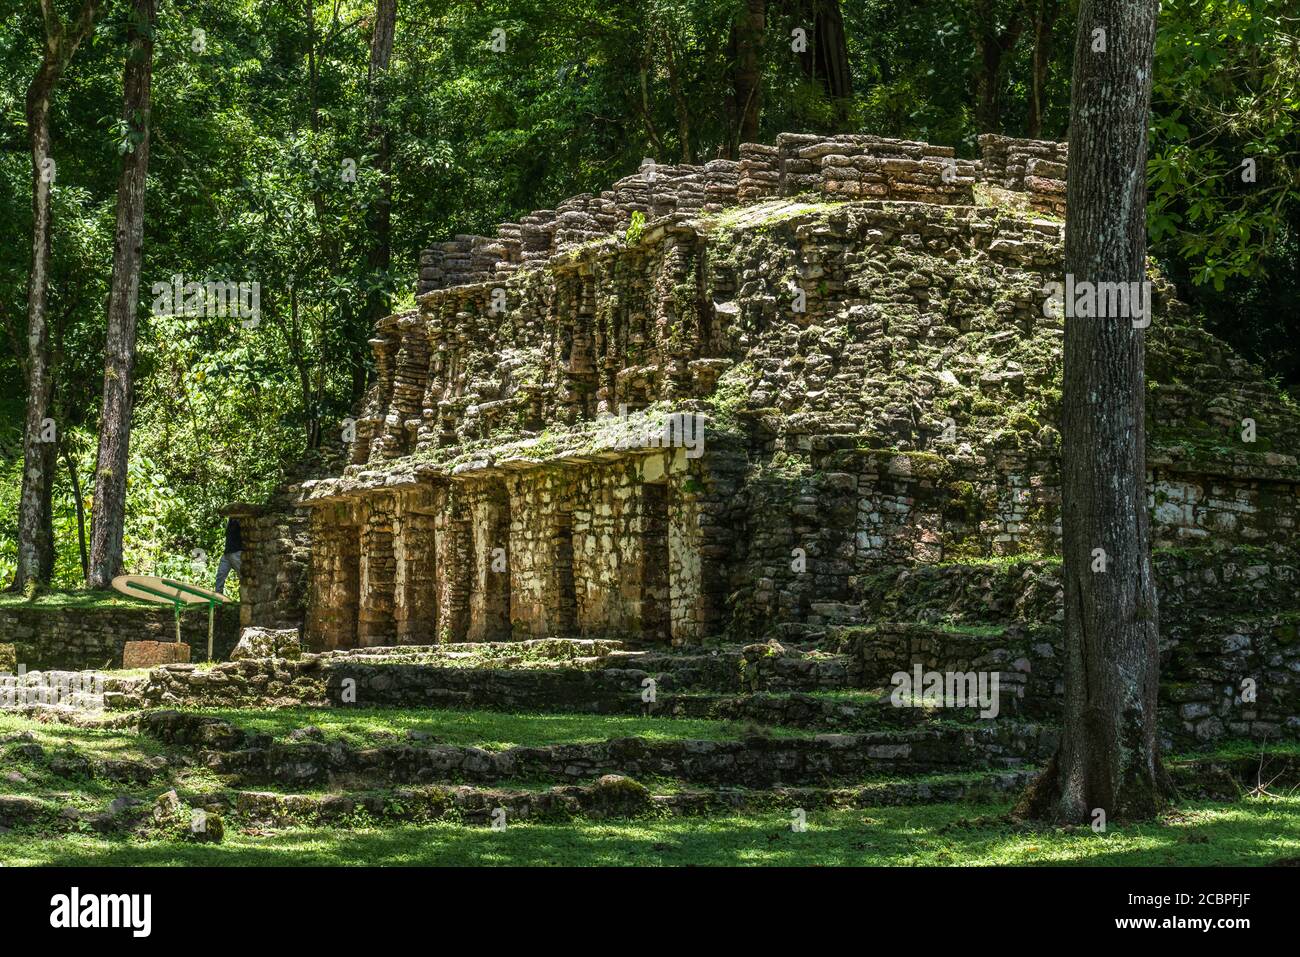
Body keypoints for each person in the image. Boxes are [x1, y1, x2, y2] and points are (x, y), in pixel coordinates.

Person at [214, 517, 242, 594]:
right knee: (220, 575)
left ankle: (247, 599)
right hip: (227, 553)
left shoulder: (241, 519)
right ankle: (218, 598)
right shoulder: (230, 519)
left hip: (236, 552)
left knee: (243, 577)